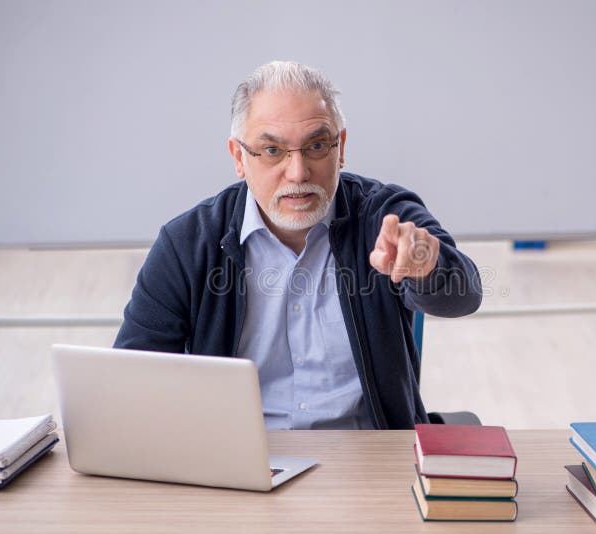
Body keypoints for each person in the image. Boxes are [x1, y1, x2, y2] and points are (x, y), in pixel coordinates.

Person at [114, 61, 482, 430]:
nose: (298, 172)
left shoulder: (384, 215)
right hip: (236, 460)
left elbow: (464, 295)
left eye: (317, 146)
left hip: (372, 460)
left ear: (340, 149)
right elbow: (132, 381)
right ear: (239, 157)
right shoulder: (187, 243)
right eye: (272, 150)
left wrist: (428, 268)